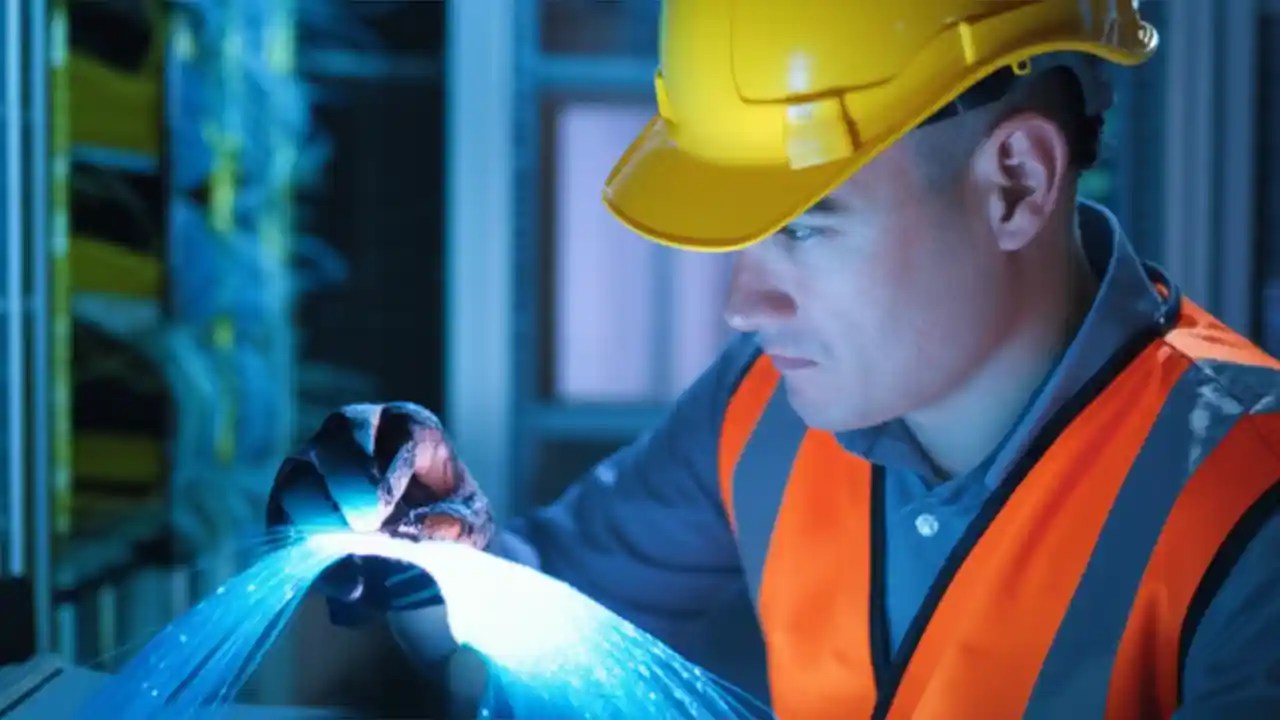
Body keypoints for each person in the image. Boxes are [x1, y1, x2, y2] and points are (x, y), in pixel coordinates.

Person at [268, 1, 1280, 717]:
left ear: (1014, 182)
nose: (743, 304)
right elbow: (537, 627)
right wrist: (432, 552)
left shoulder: (1250, 506)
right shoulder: (764, 409)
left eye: (800, 227)